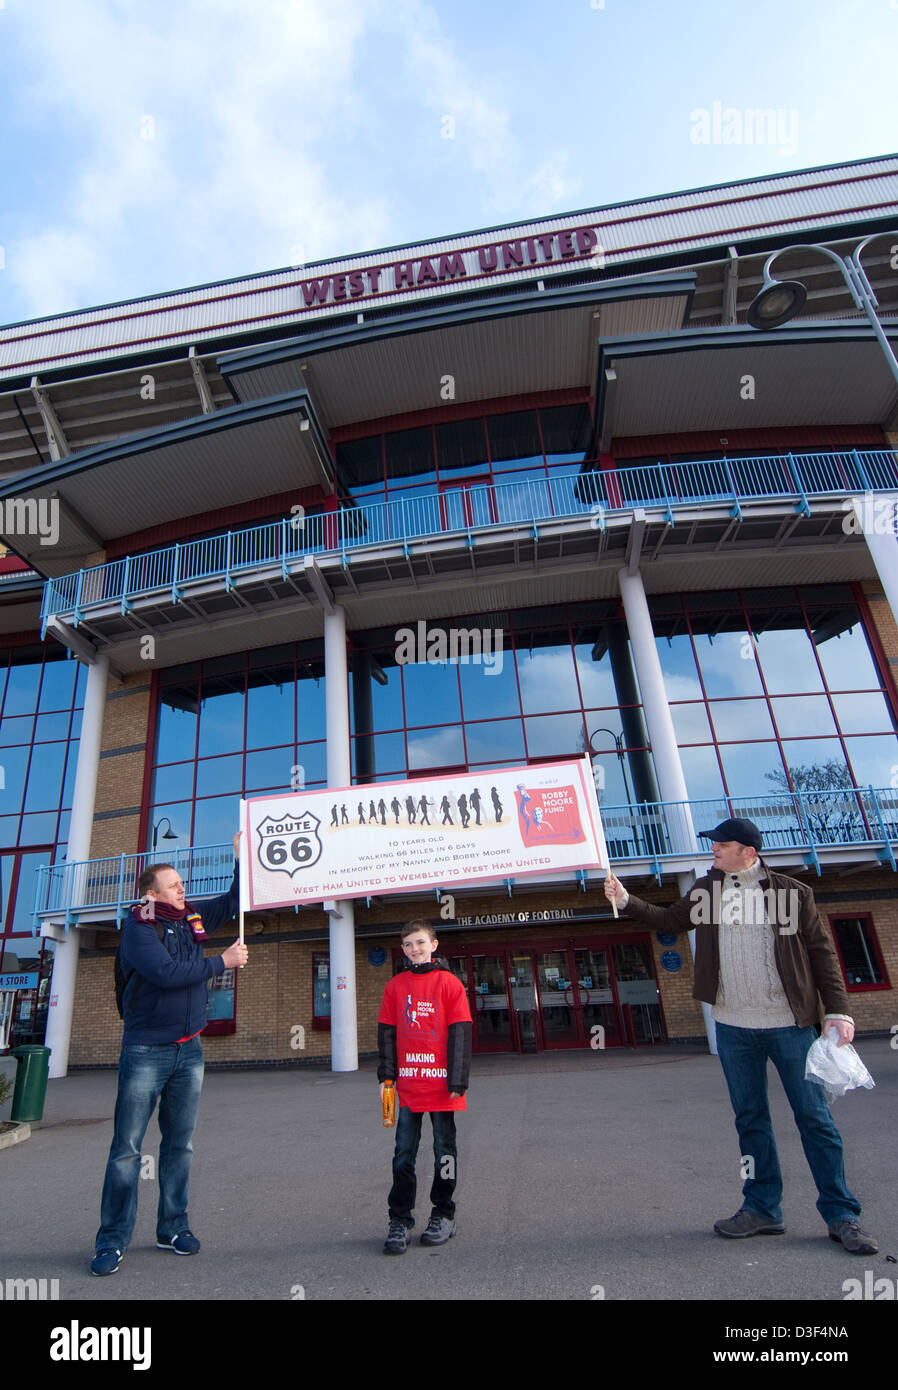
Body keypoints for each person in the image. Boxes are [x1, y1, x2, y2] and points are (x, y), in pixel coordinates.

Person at [604, 817, 877, 1255]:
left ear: (748, 851)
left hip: (791, 1026)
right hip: (733, 1027)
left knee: (815, 1121)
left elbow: (822, 953)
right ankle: (763, 1207)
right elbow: (671, 920)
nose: (714, 849)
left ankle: (843, 1214)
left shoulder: (792, 893)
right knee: (750, 1121)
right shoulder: (708, 891)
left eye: (722, 844)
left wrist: (838, 1011)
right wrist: (625, 898)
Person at [91, 832, 248, 1276]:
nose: (184, 888)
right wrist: (222, 963)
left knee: (179, 1145)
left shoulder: (193, 917)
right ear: (151, 893)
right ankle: (111, 1240)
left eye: (182, 884)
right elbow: (164, 973)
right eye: (175, 885)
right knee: (127, 1149)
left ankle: (172, 1228)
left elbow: (235, 900)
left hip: (189, 1050)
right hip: (145, 1051)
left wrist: (239, 856)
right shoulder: (139, 927)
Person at [377, 920, 472, 1254]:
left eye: (419, 942)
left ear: (433, 944)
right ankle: (400, 1220)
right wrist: (386, 1079)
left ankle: (443, 1214)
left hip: (443, 1085)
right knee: (403, 1154)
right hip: (407, 1087)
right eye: (407, 945)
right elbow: (387, 1036)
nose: (414, 949)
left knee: (444, 1152)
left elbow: (461, 1032)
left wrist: (458, 1080)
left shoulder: (450, 984)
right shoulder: (395, 987)